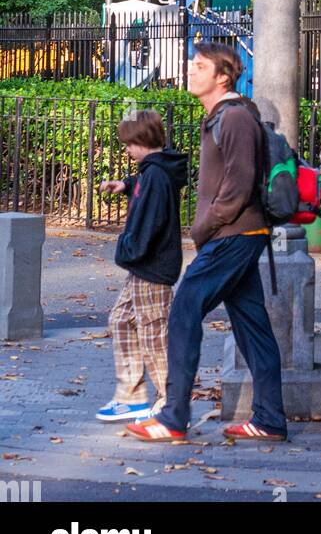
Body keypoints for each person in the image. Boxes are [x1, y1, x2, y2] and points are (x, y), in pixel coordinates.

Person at [125, 44, 288, 443]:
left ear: (222, 76)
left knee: (184, 311)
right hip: (239, 236)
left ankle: (173, 417)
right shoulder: (226, 116)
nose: (190, 70)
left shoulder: (233, 119)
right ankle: (269, 420)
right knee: (254, 330)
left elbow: (238, 186)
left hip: (231, 236)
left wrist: (202, 228)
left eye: (199, 66)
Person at [98, 111, 188, 423]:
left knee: (153, 335)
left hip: (152, 266)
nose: (126, 150)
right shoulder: (154, 171)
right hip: (146, 266)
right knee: (121, 320)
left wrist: (128, 250)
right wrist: (124, 184)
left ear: (142, 142)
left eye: (129, 144)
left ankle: (168, 402)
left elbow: (150, 223)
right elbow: (145, 184)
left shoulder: (156, 177)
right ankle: (132, 395)